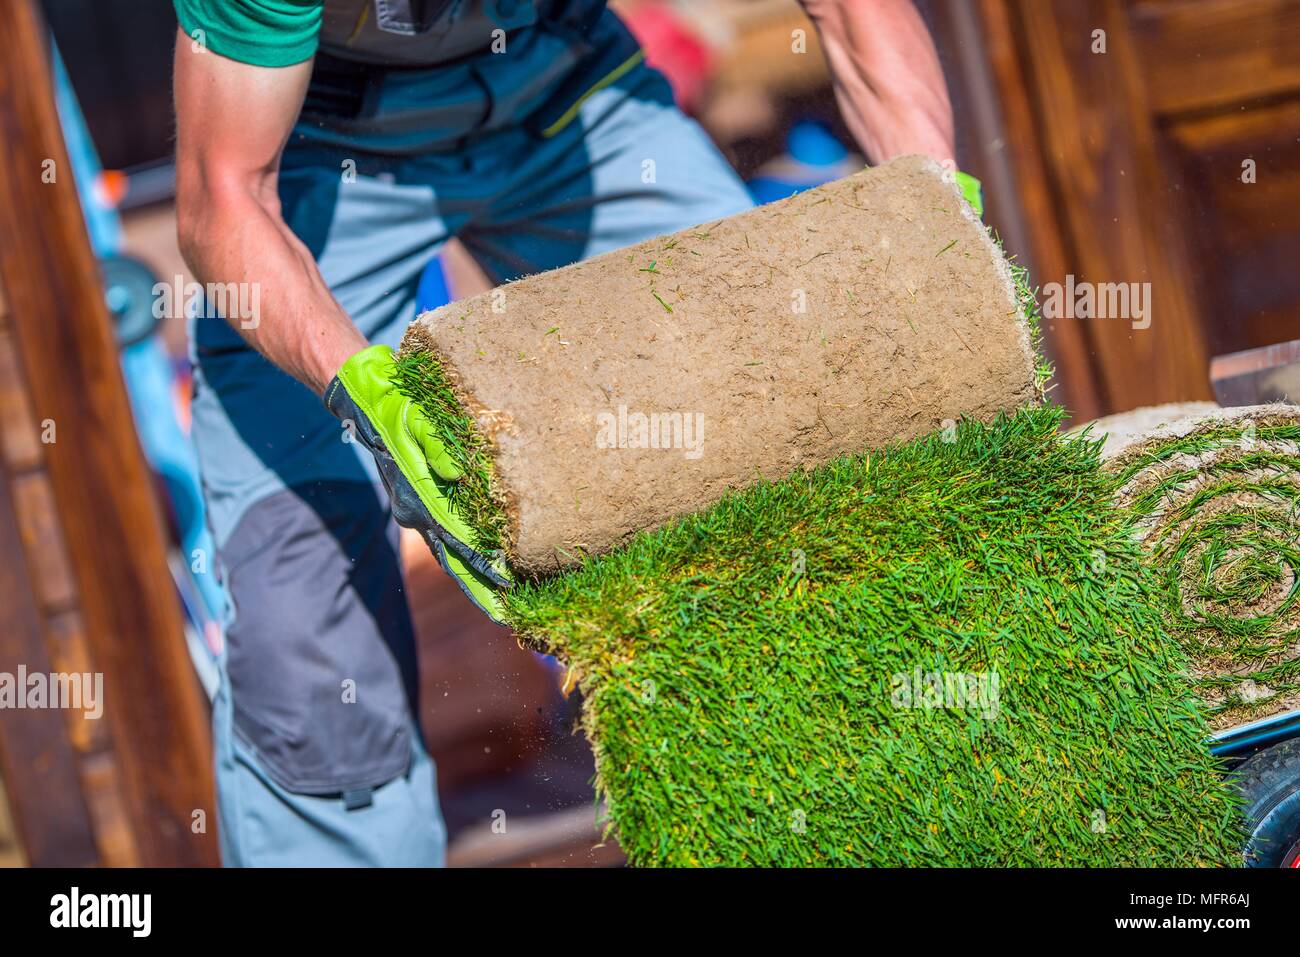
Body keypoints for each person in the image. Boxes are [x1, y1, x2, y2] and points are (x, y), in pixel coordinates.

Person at [172, 0, 963, 866]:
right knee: (304, 625)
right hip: (312, 150)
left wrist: (933, 213)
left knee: (768, 427)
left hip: (568, 92)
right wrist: (367, 393)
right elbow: (223, 196)